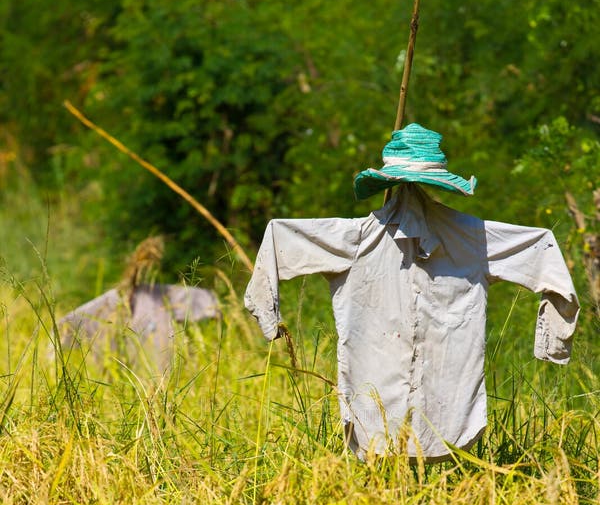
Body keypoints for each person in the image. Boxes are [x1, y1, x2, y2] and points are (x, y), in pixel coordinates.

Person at [245, 124, 579, 460]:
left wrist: (553, 341)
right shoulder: (360, 239)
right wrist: (268, 316)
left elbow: (539, 248)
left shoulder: (470, 239)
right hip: (371, 404)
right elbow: (281, 238)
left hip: (451, 408)